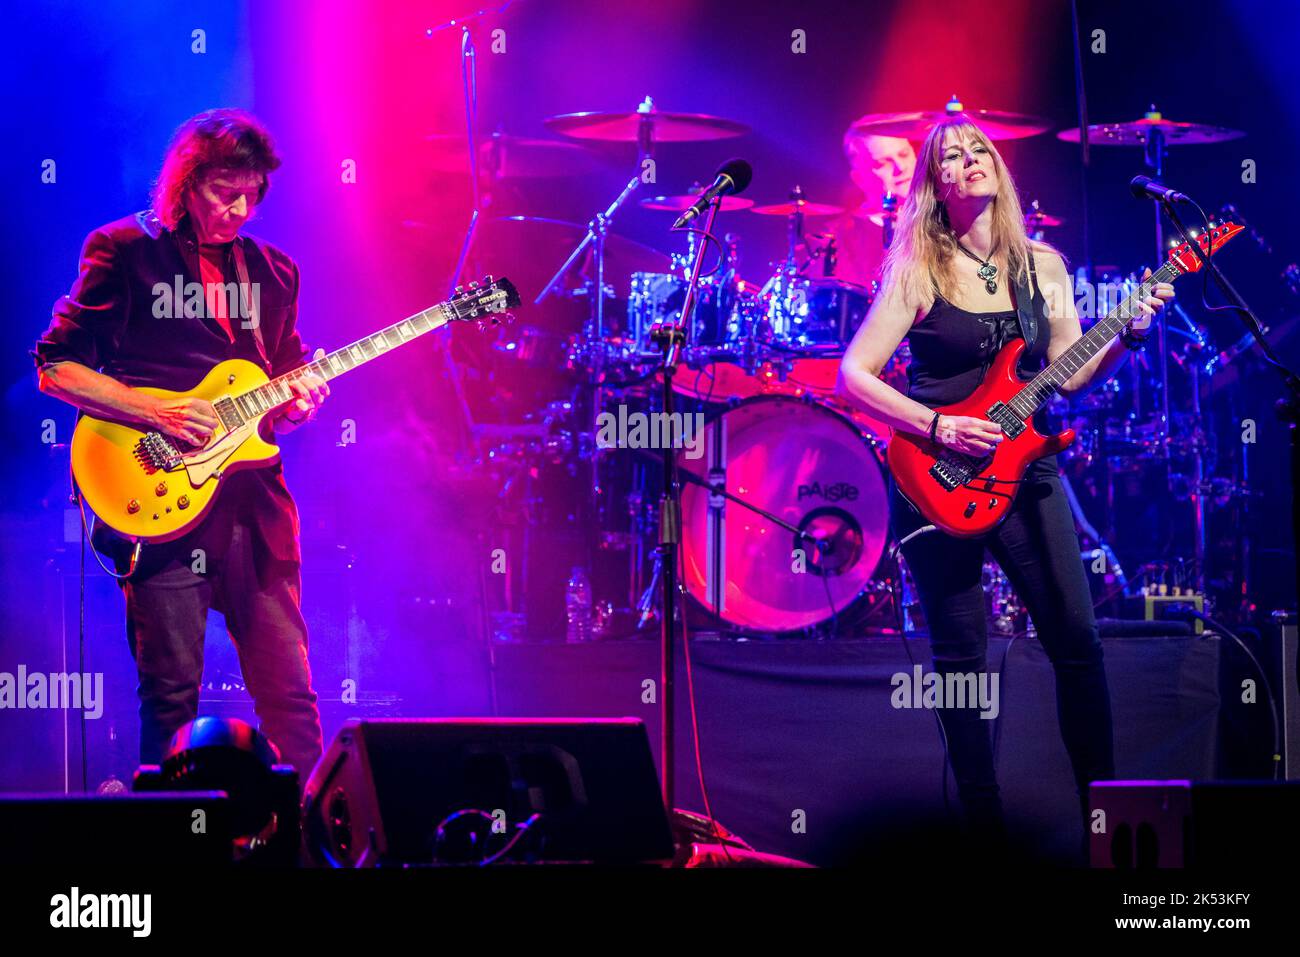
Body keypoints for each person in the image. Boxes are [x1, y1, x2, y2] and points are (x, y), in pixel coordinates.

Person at [836, 118, 1174, 844]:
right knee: (960, 660)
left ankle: (1106, 825)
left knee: (1078, 640)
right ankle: (984, 838)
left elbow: (1072, 376)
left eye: (979, 149)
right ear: (939, 184)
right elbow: (852, 374)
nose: (970, 159)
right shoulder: (918, 267)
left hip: (1027, 469)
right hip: (937, 472)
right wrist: (938, 426)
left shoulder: (1042, 265)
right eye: (952, 155)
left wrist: (1126, 342)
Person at [33, 109, 331, 783]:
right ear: (186, 182)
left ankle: (314, 847)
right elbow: (56, 366)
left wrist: (299, 403)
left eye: (251, 192)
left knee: (292, 701)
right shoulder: (124, 250)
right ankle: (169, 855)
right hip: (160, 499)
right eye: (224, 189)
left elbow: (280, 383)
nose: (239, 207)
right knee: (171, 703)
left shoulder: (276, 271)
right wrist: (158, 411)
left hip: (256, 512)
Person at [828, 131, 918, 288]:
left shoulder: (946, 218)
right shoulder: (843, 238)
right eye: (882, 163)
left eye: (904, 155)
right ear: (859, 179)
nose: (900, 167)